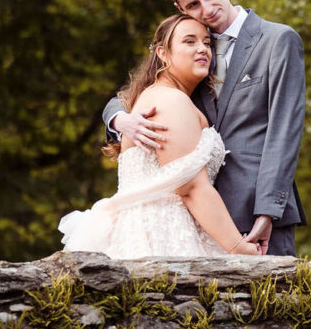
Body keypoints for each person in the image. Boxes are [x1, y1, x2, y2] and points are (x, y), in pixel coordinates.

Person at [104, 0, 306, 256]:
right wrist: (120, 120)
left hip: (259, 214)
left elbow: (284, 131)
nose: (207, 9)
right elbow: (131, 96)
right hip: (199, 218)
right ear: (180, 8)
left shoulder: (277, 40)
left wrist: (268, 211)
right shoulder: (192, 50)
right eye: (193, 5)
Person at [59, 15, 265, 258]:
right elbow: (189, 186)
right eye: (189, 42)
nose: (202, 49)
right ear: (163, 53)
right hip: (162, 234)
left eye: (207, 43)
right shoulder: (169, 101)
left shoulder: (169, 96)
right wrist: (237, 247)